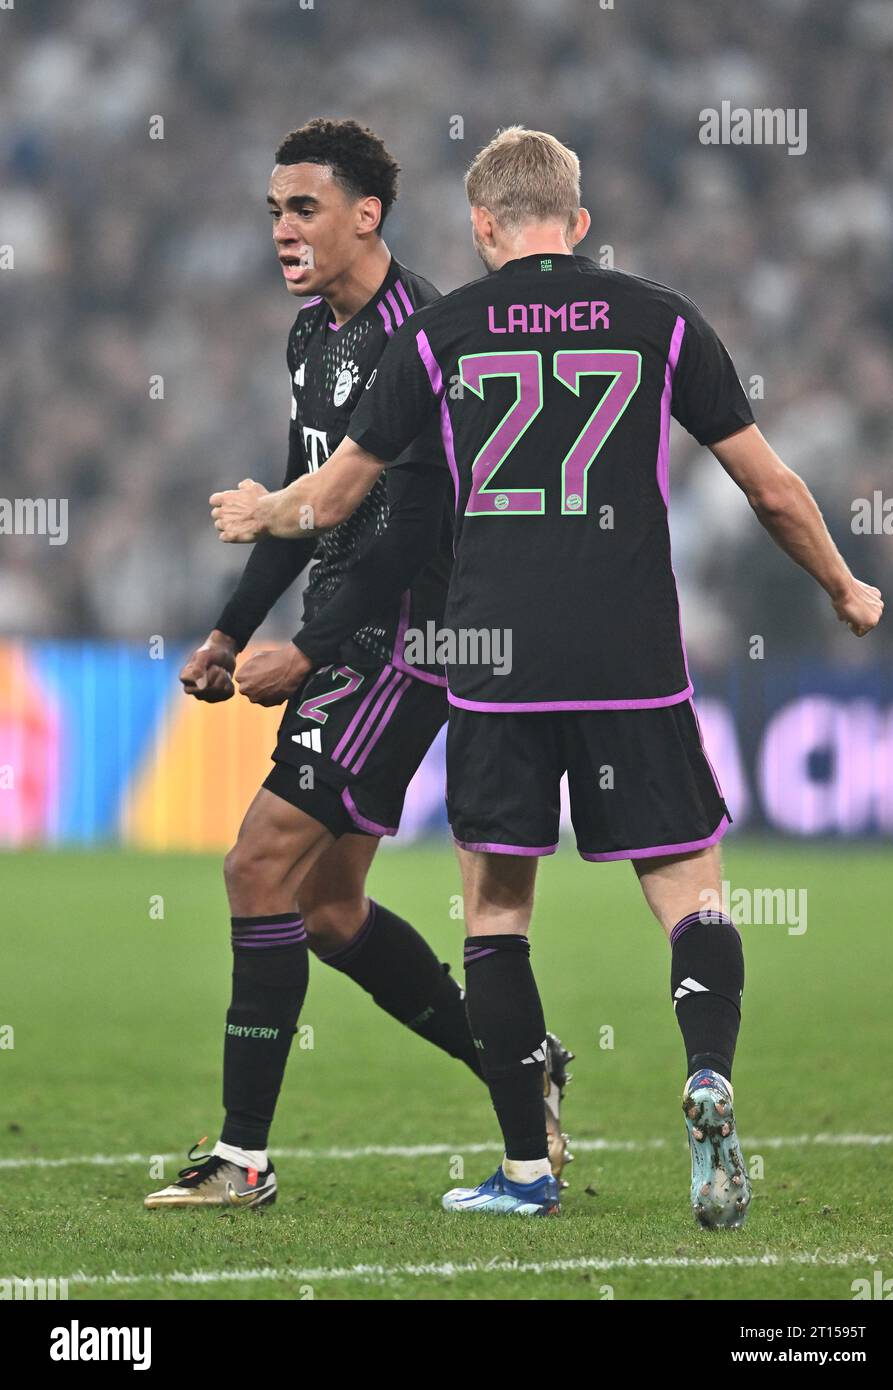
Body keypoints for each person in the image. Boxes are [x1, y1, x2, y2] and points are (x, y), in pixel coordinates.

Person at [210, 126, 883, 1225]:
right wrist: (844, 588)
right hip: (632, 660)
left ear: (481, 229)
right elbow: (767, 486)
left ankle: (526, 1172)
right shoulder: (660, 318)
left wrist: (260, 513)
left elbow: (332, 499)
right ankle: (705, 1073)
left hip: (495, 659)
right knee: (690, 892)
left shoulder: (436, 333)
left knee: (499, 915)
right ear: (577, 222)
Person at [146, 120, 573, 1212]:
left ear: (366, 214)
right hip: (358, 632)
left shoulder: (417, 333)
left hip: (414, 639)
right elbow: (303, 506)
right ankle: (523, 1067)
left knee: (256, 866)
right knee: (329, 908)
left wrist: (314, 646)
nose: (281, 228)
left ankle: (243, 1158)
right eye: (273, 209)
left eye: (303, 208)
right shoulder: (312, 338)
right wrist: (233, 630)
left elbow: (413, 517)